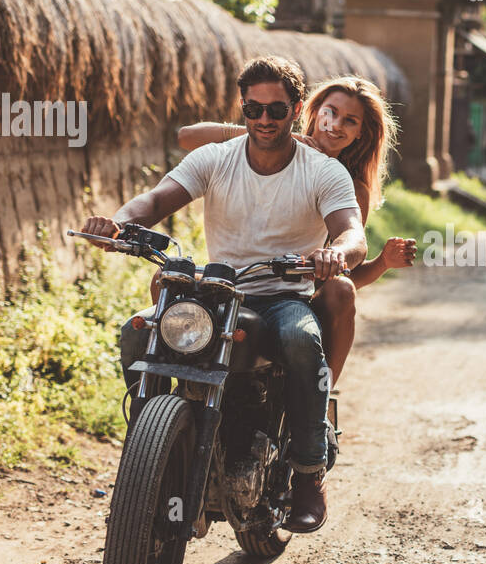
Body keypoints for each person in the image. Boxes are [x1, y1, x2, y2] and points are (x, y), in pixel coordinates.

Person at [80, 55, 365, 533]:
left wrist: (337, 254)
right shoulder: (215, 158)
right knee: (136, 333)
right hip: (218, 293)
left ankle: (309, 473)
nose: (264, 120)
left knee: (299, 340)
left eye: (276, 110)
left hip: (281, 297)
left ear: (296, 110)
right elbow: (155, 200)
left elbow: (352, 233)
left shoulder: (323, 172)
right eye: (254, 110)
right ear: (243, 109)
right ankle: (147, 462)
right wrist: (119, 224)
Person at [177, 75, 417, 388]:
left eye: (350, 121)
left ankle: (320, 400)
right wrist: (265, 137)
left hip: (295, 297)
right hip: (234, 280)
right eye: (330, 112)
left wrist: (382, 263)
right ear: (313, 112)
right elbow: (186, 136)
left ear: (360, 133)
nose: (336, 124)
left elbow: (341, 276)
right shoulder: (266, 149)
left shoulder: (350, 189)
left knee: (340, 291)